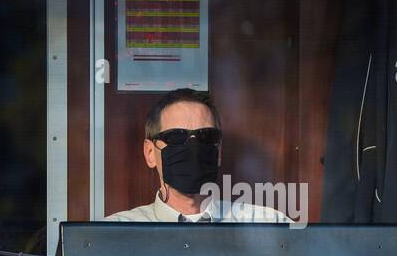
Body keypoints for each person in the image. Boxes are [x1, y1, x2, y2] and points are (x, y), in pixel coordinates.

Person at [105, 89, 289, 224]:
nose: (193, 148)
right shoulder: (115, 234)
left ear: (219, 152)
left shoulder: (269, 225)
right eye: (176, 137)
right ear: (150, 153)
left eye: (206, 136)